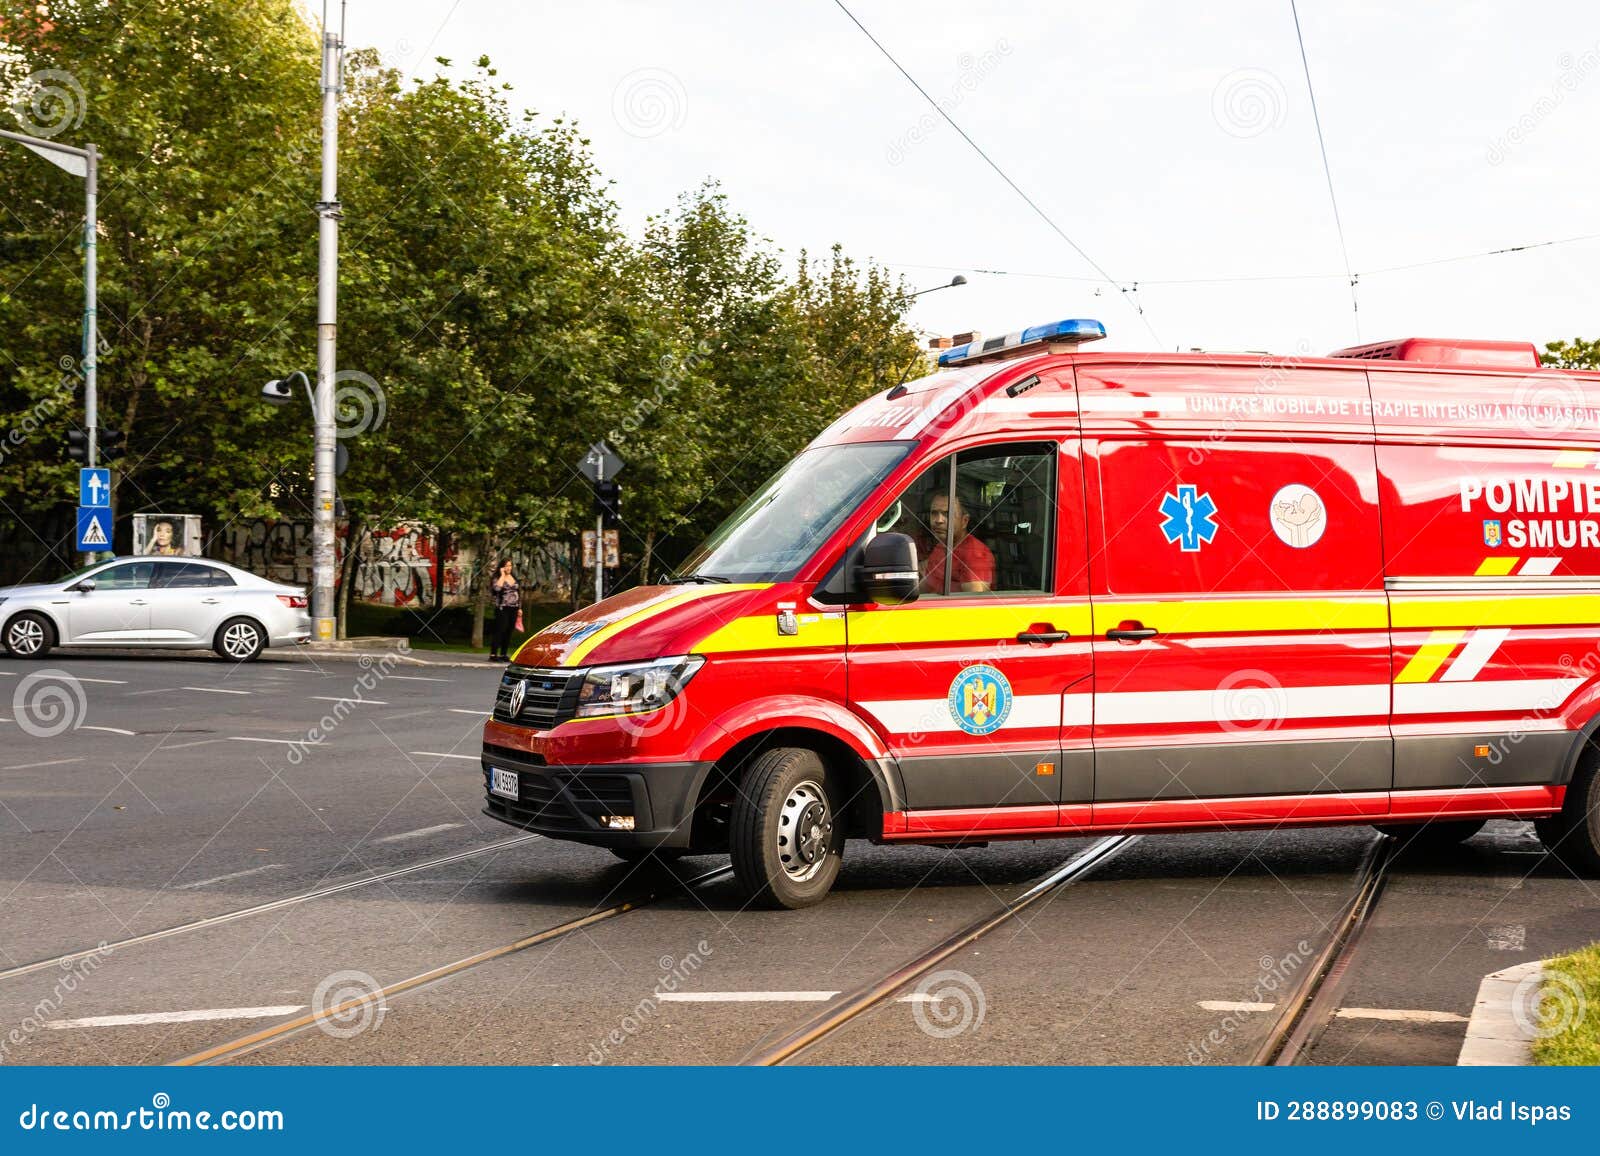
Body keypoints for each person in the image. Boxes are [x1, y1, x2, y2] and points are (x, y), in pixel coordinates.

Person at [921, 491, 994, 594]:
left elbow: (973, 605)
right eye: (934, 513)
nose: (938, 520)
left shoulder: (974, 554)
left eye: (947, 514)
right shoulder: (941, 547)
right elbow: (925, 587)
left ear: (964, 521)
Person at [489, 559, 520, 662]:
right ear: (502, 567)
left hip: (514, 608)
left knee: (509, 631)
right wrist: (502, 575)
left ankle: (503, 653)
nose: (509, 568)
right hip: (502, 607)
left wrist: (519, 608)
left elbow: (518, 592)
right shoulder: (497, 578)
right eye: (506, 566)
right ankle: (493, 654)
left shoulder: (513, 577)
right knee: (500, 630)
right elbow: (497, 589)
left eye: (510, 565)